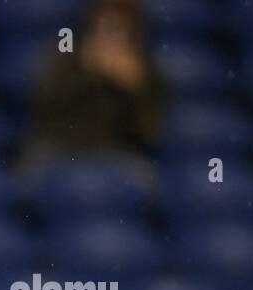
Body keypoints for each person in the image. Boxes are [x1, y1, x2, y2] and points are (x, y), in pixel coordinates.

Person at [19, 0, 167, 174]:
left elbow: (149, 132)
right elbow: (43, 107)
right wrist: (85, 73)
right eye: (106, 25)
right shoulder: (65, 57)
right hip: (57, 146)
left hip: (116, 151)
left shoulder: (145, 71)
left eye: (120, 28)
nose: (112, 36)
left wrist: (133, 88)